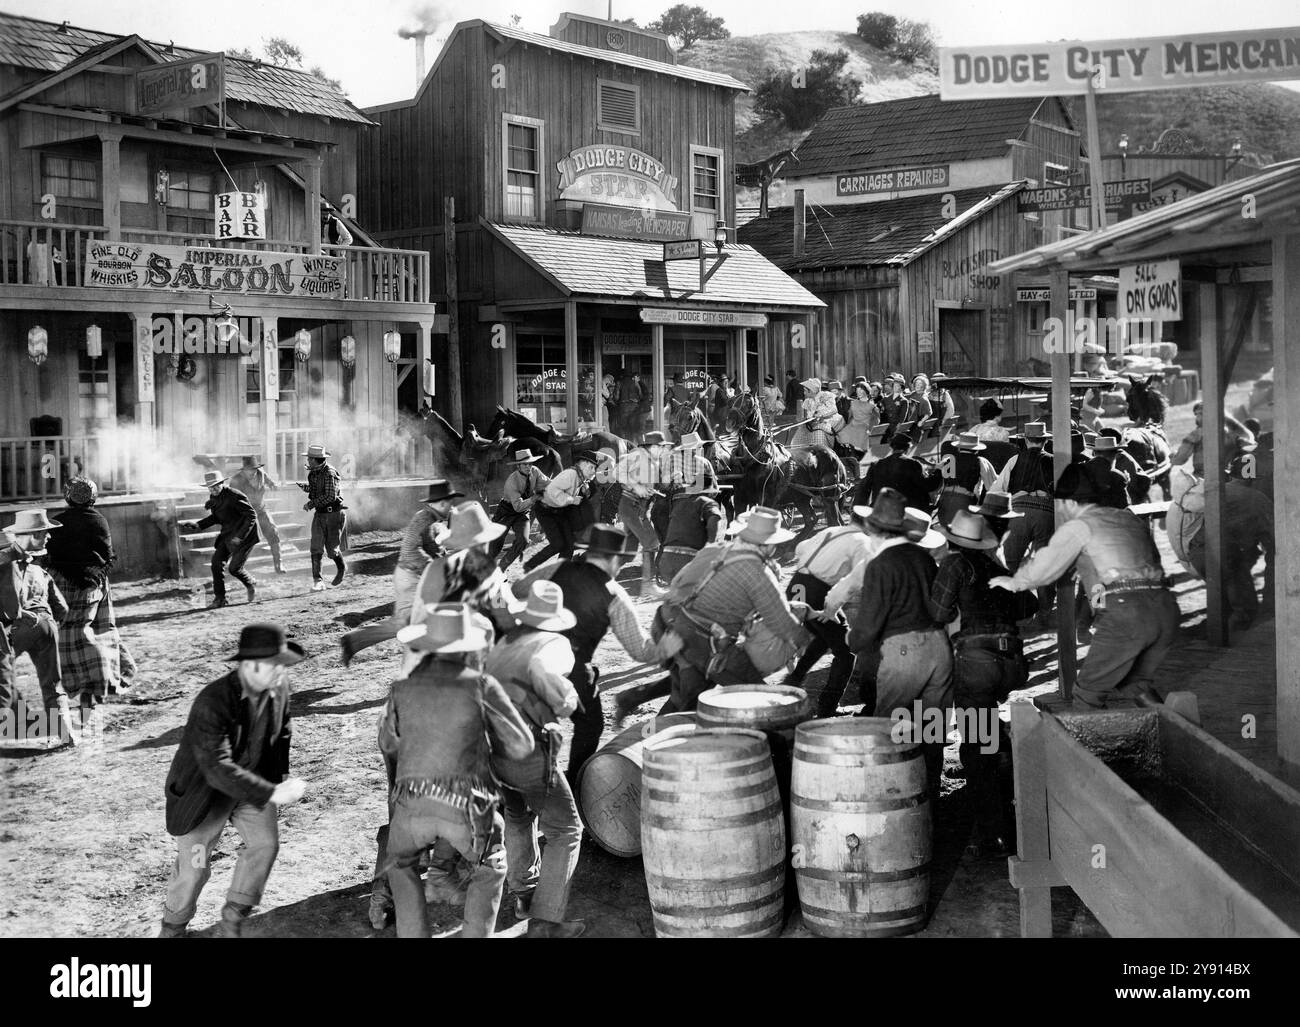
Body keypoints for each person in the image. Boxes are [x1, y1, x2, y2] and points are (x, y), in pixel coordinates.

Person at [380, 605, 534, 938]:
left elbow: (388, 745)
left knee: (401, 862)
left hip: (411, 806)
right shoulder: (481, 685)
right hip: (465, 807)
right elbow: (521, 745)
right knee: (491, 865)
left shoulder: (401, 688)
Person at [158, 623, 308, 937]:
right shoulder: (212, 701)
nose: (279, 673)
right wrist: (271, 792)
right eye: (272, 666)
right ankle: (174, 927)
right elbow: (216, 766)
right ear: (248, 666)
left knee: (265, 844)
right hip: (204, 799)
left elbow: (282, 733)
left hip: (251, 788)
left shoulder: (278, 687)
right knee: (195, 867)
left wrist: (277, 778)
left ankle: (234, 917)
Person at [990, 463, 1178, 709]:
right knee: (1134, 682)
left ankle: (1093, 746)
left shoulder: (1079, 526)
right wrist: (1100, 610)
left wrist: (1011, 581)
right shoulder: (1128, 519)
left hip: (1127, 614)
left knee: (1087, 693)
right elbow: (1106, 581)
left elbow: (1043, 571)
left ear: (1068, 503)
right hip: (1165, 609)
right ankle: (1175, 730)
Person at [512, 525, 678, 780]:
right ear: (614, 560)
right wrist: (664, 649)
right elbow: (640, 650)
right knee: (590, 725)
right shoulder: (614, 593)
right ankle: (574, 782)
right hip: (569, 665)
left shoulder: (558, 568)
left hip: (523, 653)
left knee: (525, 722)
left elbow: (518, 589)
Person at [482, 581, 585, 937]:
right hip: (526, 750)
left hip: (490, 745)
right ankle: (545, 923)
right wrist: (567, 701)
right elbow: (544, 671)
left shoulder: (505, 641)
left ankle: (525, 894)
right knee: (566, 829)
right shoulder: (553, 644)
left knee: (517, 813)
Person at [930, 510, 1029, 858]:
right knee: (990, 731)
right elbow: (1026, 604)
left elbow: (938, 612)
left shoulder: (955, 566)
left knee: (975, 747)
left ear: (953, 538)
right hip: (1011, 661)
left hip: (976, 664)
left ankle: (994, 836)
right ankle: (1015, 795)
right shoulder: (995, 566)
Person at [846, 488, 953, 802]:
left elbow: (867, 626)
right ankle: (931, 791)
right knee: (932, 728)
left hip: (905, 650)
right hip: (939, 647)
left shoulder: (880, 564)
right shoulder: (923, 557)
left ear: (873, 530)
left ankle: (891, 796)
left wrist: (851, 640)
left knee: (889, 726)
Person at [655, 508, 812, 714]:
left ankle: (650, 735)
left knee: (686, 696)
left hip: (682, 629)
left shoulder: (723, 551)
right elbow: (781, 621)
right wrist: (805, 640)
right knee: (760, 699)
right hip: (711, 643)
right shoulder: (759, 572)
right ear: (770, 545)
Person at [340, 480, 463, 666]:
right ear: (443, 502)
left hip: (416, 577)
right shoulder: (424, 519)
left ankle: (355, 640)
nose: (451, 506)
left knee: (421, 620)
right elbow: (411, 551)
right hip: (411, 577)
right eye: (450, 502)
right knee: (408, 623)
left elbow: (435, 549)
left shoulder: (433, 520)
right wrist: (434, 567)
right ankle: (355, 640)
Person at [46, 476, 138, 720]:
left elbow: (48, 555)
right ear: (93, 497)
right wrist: (95, 575)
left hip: (61, 584)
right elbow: (107, 556)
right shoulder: (99, 520)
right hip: (93, 585)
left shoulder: (58, 522)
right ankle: (95, 688)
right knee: (101, 632)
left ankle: (72, 687)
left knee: (66, 636)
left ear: (67, 497)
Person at [784, 511, 877, 717]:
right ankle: (828, 706)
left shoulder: (831, 530)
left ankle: (794, 679)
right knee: (846, 652)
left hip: (796, 584)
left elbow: (801, 548)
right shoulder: (862, 541)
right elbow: (858, 579)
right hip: (818, 591)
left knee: (825, 636)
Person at [0, 510, 76, 747]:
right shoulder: (39, 570)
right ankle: (66, 734)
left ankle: (12, 723)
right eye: (45, 533)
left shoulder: (6, 562)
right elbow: (62, 608)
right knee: (52, 683)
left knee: (4, 674)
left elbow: (11, 606)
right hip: (46, 625)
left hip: (16, 626)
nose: (48, 538)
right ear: (32, 536)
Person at [1167, 466, 1274, 630]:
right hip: (1206, 553)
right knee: (1240, 568)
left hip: (1190, 556)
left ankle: (1228, 616)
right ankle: (1244, 619)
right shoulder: (1253, 496)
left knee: (1229, 572)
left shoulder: (1196, 497)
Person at [993, 422, 1057, 628]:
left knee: (1008, 562)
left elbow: (997, 490)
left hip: (1019, 511)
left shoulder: (1014, 460)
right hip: (1046, 512)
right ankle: (1045, 614)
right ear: (1045, 440)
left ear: (1025, 440)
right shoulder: (1054, 461)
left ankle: (1006, 613)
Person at [180, 471, 259, 608]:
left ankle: (250, 583)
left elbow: (251, 516)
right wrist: (198, 524)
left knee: (234, 568)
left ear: (222, 483)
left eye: (216, 485)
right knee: (216, 563)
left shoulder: (235, 496)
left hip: (245, 536)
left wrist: (239, 537)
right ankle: (220, 599)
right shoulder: (214, 497)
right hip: (228, 535)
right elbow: (216, 517)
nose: (213, 489)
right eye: (210, 487)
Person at [525, 451, 609, 570]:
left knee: (570, 545)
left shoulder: (580, 479)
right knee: (558, 544)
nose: (594, 471)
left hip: (558, 511)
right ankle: (529, 565)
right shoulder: (570, 475)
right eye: (592, 467)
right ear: (583, 465)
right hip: (546, 511)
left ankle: (560, 571)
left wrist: (583, 493)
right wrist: (572, 500)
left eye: (595, 468)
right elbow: (553, 492)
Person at [615, 431, 669, 594]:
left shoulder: (652, 461)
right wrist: (636, 487)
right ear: (652, 446)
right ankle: (648, 586)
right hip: (631, 506)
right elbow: (615, 472)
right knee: (651, 542)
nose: (663, 450)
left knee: (629, 553)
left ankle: (601, 576)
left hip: (638, 508)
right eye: (661, 447)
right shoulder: (637, 455)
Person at [655, 462, 727, 583]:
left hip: (666, 562)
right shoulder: (707, 503)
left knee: (678, 595)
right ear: (709, 491)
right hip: (687, 562)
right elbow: (714, 520)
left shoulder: (678, 502)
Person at [853, 431, 941, 513]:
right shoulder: (912, 464)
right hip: (905, 512)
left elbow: (863, 490)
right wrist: (938, 470)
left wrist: (860, 511)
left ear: (892, 448)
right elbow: (929, 486)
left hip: (880, 510)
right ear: (907, 449)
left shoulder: (876, 465)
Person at [492, 451, 550, 571]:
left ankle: (501, 567)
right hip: (506, 511)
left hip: (522, 513)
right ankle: (483, 569)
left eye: (530, 463)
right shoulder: (512, 481)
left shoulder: (535, 471)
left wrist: (564, 484)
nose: (528, 466)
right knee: (495, 544)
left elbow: (548, 483)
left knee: (523, 541)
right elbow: (517, 506)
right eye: (525, 464)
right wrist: (534, 498)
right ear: (518, 466)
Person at [300, 443, 346, 592]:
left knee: (332, 550)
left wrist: (311, 503)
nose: (308, 460)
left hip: (333, 514)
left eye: (309, 458)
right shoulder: (313, 473)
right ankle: (318, 580)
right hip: (320, 514)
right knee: (316, 547)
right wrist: (306, 488)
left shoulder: (329, 473)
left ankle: (341, 568)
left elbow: (330, 496)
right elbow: (316, 491)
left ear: (314, 459)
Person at [228, 456, 284, 574]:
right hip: (245, 514)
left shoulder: (261, 473)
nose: (253, 472)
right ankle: (235, 567)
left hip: (261, 509)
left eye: (254, 469)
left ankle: (278, 564)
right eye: (249, 470)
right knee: (243, 540)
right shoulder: (235, 481)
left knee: (273, 532)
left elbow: (270, 482)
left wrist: (274, 485)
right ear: (244, 470)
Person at [1171, 400, 1256, 479]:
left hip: (1202, 479)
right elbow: (1250, 444)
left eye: (1200, 414)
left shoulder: (1195, 435)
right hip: (1226, 478)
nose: (1198, 418)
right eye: (1197, 414)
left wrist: (1173, 457)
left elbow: (1180, 460)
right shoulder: (1232, 435)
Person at [935, 432, 997, 527]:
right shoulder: (981, 461)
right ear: (977, 450)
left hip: (944, 505)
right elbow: (992, 487)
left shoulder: (948, 459)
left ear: (959, 448)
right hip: (965, 506)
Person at [1088, 434, 1150, 507]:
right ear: (1115, 455)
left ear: (1094, 453)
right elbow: (1125, 506)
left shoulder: (1083, 469)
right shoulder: (1117, 476)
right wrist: (1126, 481)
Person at [793, 378, 839, 449]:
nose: (804, 393)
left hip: (825, 422)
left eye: (805, 391)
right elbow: (806, 415)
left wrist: (821, 415)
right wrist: (804, 420)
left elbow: (834, 410)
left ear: (812, 390)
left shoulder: (826, 396)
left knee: (817, 435)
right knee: (798, 435)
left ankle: (821, 454)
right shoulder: (808, 400)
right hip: (811, 424)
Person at [838, 381, 880, 457]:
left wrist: (870, 429)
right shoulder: (853, 403)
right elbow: (850, 417)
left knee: (860, 437)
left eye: (861, 390)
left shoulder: (872, 405)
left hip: (865, 428)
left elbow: (875, 420)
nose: (859, 392)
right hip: (853, 426)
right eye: (857, 391)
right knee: (843, 435)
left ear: (866, 391)